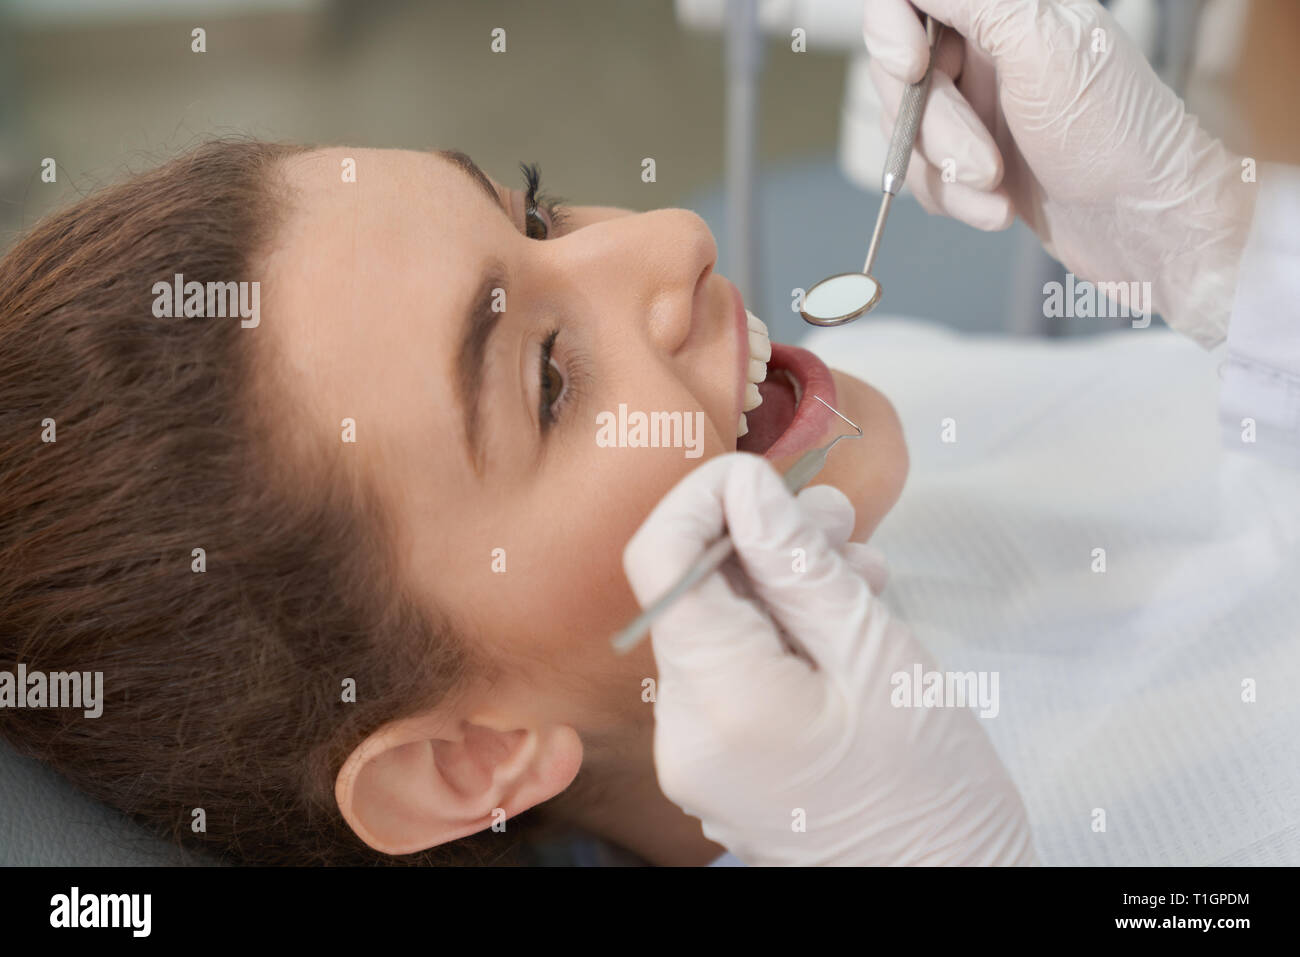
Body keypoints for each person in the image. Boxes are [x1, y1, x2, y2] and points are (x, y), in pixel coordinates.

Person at [628, 0, 1298, 865]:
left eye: (541, 214)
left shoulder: (881, 371)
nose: (676, 237)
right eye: (547, 381)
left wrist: (1208, 250)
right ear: (464, 763)